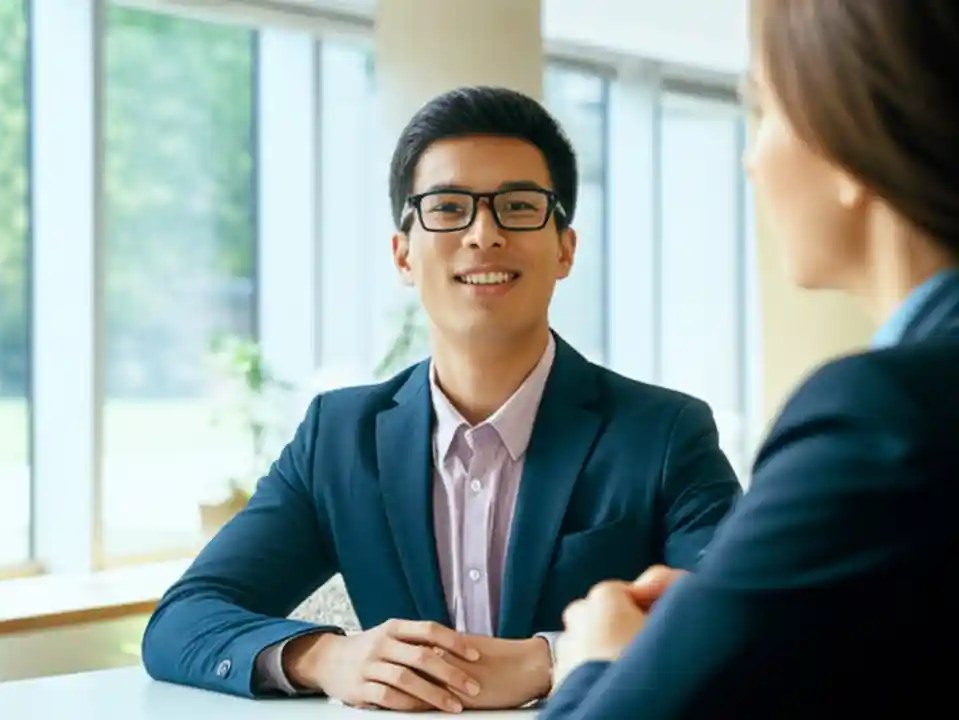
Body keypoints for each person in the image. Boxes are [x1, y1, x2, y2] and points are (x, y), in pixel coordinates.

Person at [142, 86, 742, 713]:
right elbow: (184, 620)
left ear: (565, 248)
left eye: (518, 207)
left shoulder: (664, 434)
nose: (483, 234)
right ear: (403, 254)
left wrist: (553, 659)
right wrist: (327, 657)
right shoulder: (339, 439)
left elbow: (741, 617)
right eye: (449, 208)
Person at [542, 2, 959, 717]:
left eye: (763, 111)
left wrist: (597, 664)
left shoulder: (879, 419)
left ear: (846, 138)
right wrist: (733, 617)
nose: (750, 159)